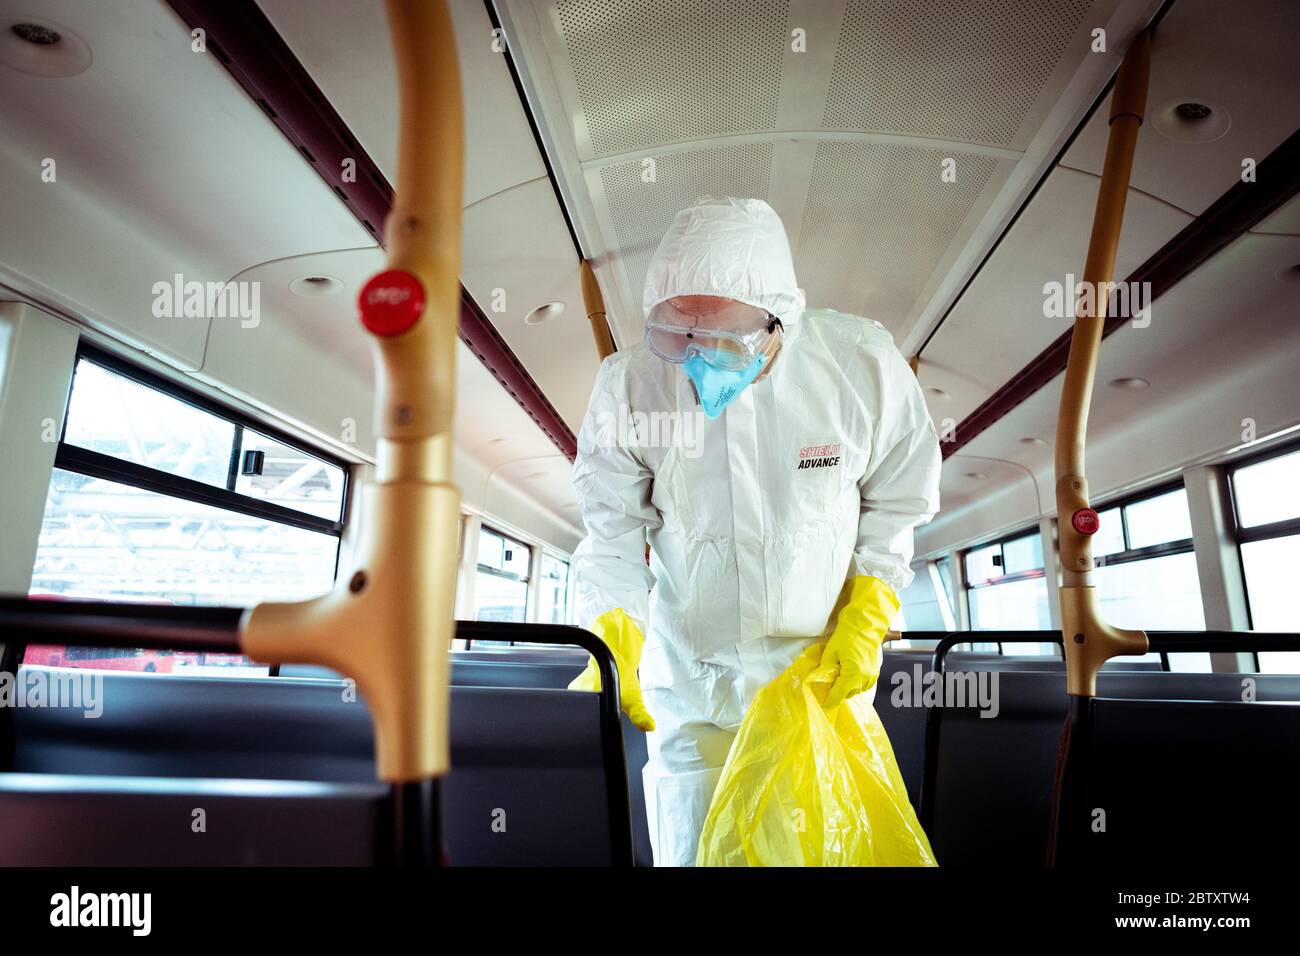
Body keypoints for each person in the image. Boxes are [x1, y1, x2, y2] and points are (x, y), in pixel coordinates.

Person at [568, 196, 941, 866]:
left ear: (780, 320)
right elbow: (613, 533)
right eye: (682, 338)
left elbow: (899, 499)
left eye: (726, 340)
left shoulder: (859, 368)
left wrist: (874, 601)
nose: (700, 360)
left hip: (820, 685)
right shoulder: (631, 386)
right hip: (694, 695)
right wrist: (613, 629)